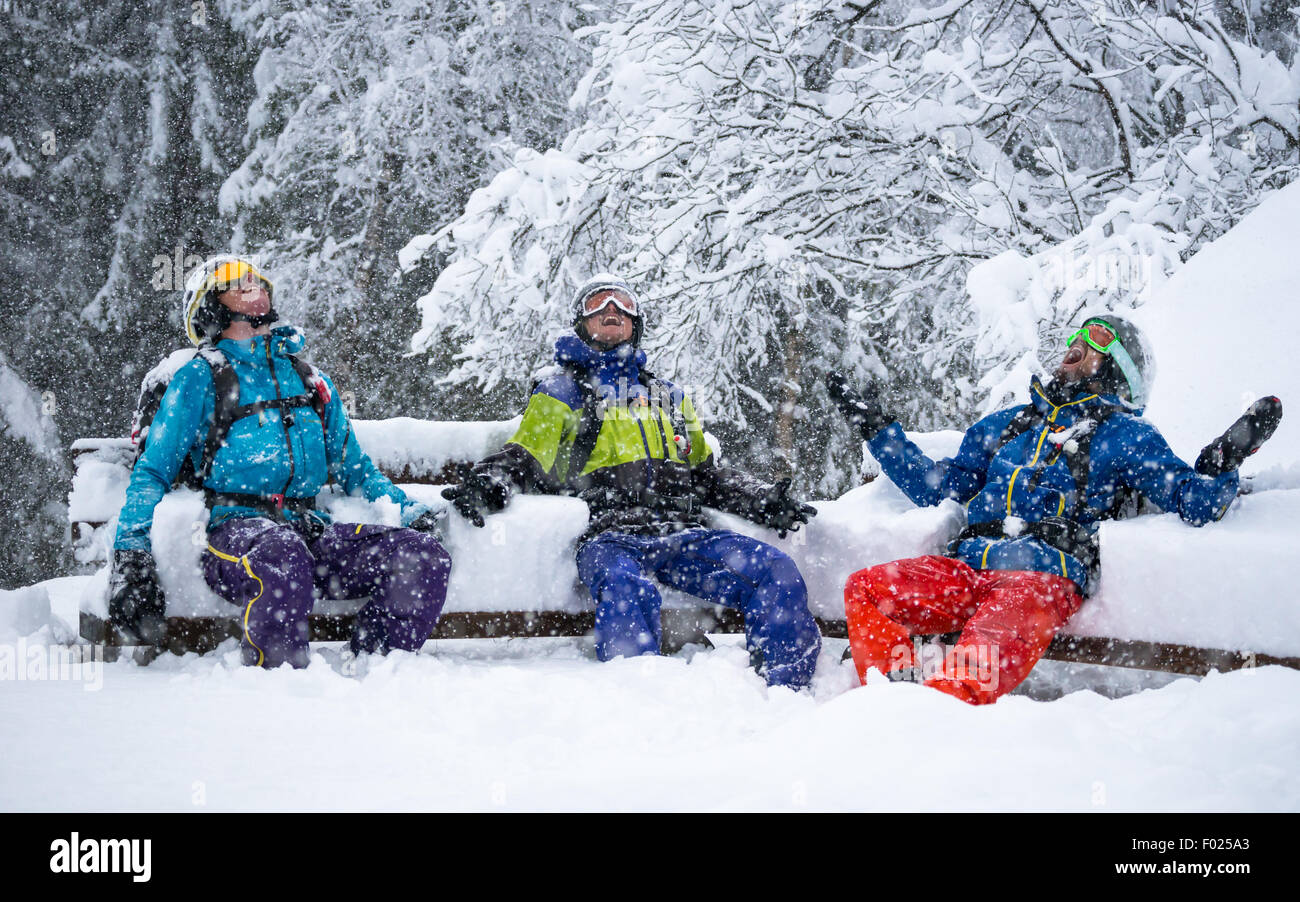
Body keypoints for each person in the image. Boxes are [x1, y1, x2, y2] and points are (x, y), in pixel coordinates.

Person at [826, 313, 1282, 704]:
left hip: (1038, 580)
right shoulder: (1009, 424)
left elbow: (1194, 501)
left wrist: (1224, 459)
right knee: (866, 589)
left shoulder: (1123, 434)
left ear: (1119, 369)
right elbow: (940, 488)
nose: (1077, 342)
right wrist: (879, 432)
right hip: (967, 570)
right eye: (1077, 335)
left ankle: (924, 728)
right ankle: (890, 697)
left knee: (966, 677)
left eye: (1097, 338)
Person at [442, 274, 823, 688]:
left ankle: (785, 691)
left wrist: (762, 500)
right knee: (626, 587)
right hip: (611, 537)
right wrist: (489, 481)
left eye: (623, 304)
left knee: (774, 569)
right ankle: (639, 694)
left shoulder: (668, 397)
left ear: (636, 323)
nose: (612, 310)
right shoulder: (564, 391)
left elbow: (705, 474)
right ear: (581, 323)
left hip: (682, 534)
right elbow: (525, 455)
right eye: (598, 303)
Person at [108, 256, 451, 668]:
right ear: (211, 308)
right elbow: (152, 471)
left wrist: (405, 508)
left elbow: (354, 468)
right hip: (235, 536)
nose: (252, 284)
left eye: (256, 279)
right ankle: (277, 682)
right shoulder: (201, 377)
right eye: (235, 282)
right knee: (281, 553)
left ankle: (376, 670)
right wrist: (131, 556)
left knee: (422, 556)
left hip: (308, 532)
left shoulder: (308, 379)